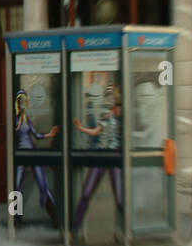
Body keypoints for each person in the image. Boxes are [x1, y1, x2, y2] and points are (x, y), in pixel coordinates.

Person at [71, 83, 121, 237]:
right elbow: (95, 132)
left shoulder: (121, 115)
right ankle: (74, 228)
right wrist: (81, 128)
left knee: (120, 198)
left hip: (115, 157)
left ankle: (124, 230)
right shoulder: (105, 116)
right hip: (101, 155)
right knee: (86, 193)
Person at [13, 89, 61, 228]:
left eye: (24, 101)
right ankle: (15, 219)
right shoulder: (16, 119)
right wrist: (20, 118)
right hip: (21, 154)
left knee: (43, 184)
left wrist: (50, 135)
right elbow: (14, 132)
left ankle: (54, 218)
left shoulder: (28, 119)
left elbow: (36, 135)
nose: (22, 104)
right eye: (20, 101)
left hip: (32, 153)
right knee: (16, 187)